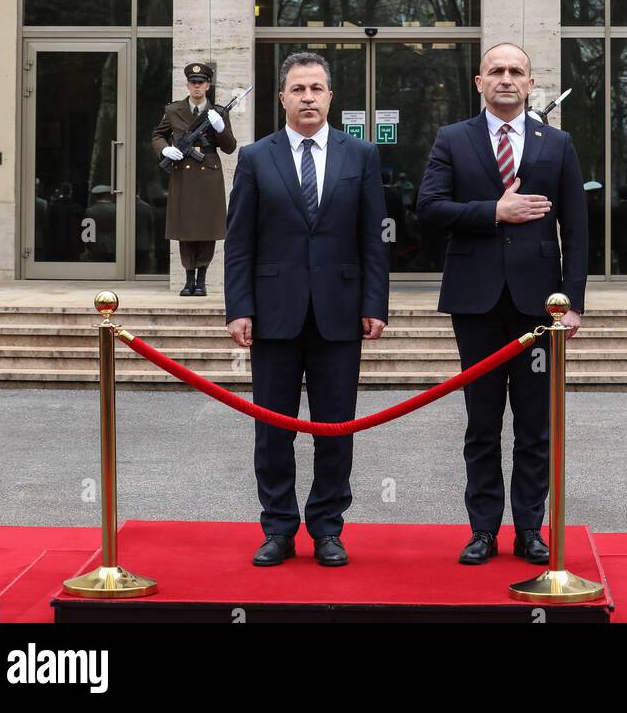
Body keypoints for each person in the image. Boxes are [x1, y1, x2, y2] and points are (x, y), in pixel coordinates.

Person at [416, 42, 588, 566]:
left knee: (535, 424)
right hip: (476, 303)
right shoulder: (453, 139)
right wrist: (494, 210)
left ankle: (531, 530)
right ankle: (483, 530)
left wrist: (573, 302)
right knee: (482, 422)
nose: (506, 78)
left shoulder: (556, 143)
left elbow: (577, 230)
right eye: (497, 71)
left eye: (516, 71)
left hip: (541, 308)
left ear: (530, 83)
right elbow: (428, 208)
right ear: (479, 82)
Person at [224, 51, 389, 568]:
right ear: (282, 98)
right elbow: (239, 243)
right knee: (273, 428)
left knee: (335, 428)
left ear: (331, 96)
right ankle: (277, 527)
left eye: (316, 88)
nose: (308, 97)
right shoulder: (255, 157)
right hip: (273, 314)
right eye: (298, 89)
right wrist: (239, 307)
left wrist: (374, 303)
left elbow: (374, 238)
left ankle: (327, 528)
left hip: (340, 314)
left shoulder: (359, 155)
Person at [151, 62, 237, 296]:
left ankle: (202, 280)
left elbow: (230, 147)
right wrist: (164, 150)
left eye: (201, 83)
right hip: (183, 173)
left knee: (206, 229)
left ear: (208, 85)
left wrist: (220, 128)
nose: (196, 86)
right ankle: (188, 280)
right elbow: (158, 135)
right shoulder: (173, 110)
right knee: (186, 228)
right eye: (193, 82)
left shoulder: (218, 112)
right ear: (187, 84)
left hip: (208, 174)